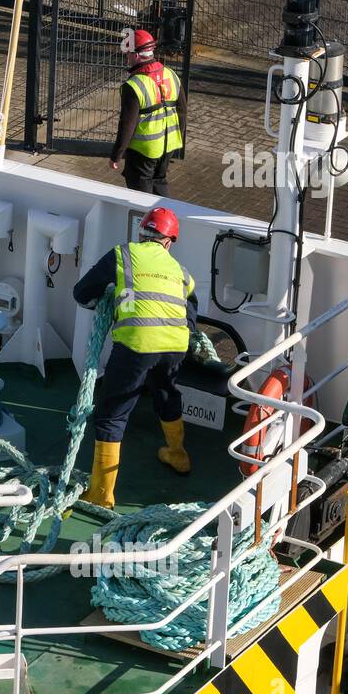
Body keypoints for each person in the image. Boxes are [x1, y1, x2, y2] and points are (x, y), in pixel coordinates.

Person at [73, 207, 197, 508]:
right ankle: (178, 455)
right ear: (169, 242)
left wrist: (110, 298)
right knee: (166, 393)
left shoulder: (123, 255)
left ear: (141, 234)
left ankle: (102, 494)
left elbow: (82, 292)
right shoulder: (183, 274)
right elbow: (191, 318)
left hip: (137, 344)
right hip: (175, 345)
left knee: (112, 413)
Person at [109, 29, 185, 197]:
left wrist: (116, 155)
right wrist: (176, 140)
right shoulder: (171, 75)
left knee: (141, 192)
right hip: (168, 146)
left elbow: (127, 125)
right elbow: (182, 113)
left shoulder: (133, 85)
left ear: (136, 55)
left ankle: (147, 220)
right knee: (159, 182)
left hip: (144, 150)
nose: (127, 57)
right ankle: (166, 217)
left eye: (128, 53)